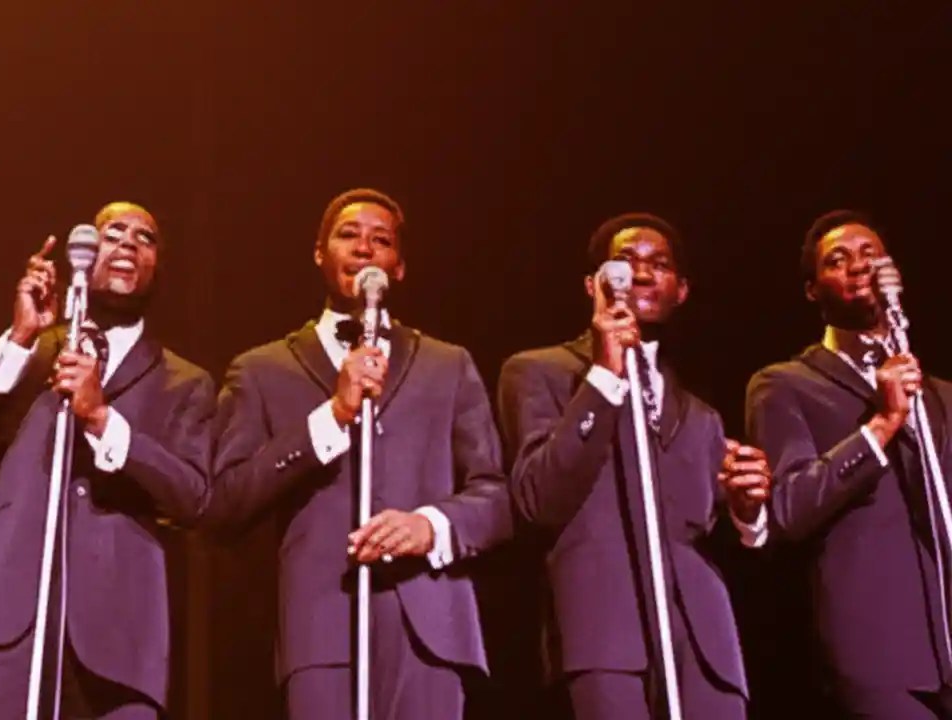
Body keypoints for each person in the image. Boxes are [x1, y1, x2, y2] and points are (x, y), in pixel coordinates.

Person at [206, 188, 512, 719]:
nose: (365, 248)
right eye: (349, 235)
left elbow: (497, 495)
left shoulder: (449, 364)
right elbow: (227, 501)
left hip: (429, 629)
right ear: (320, 253)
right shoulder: (261, 370)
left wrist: (432, 525)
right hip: (321, 627)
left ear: (398, 266)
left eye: (381, 240)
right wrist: (332, 418)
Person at [0, 202, 214, 720]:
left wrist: (102, 420)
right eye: (112, 233)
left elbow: (194, 496)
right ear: (85, 257)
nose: (127, 243)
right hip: (0, 619)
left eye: (145, 237)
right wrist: (21, 336)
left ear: (157, 268)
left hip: (117, 638)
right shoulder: (34, 352)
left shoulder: (185, 382)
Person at [497, 213, 770, 719]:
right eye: (624, 261)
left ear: (681, 290)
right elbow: (539, 498)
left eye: (659, 265)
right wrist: (604, 374)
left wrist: (748, 512)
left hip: (707, 644)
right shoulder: (539, 373)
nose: (642, 273)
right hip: (604, 636)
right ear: (592, 284)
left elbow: (711, 535)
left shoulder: (703, 416)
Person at [746, 210, 952, 718]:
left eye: (870, 254)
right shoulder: (786, 384)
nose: (858, 266)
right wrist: (881, 424)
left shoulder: (942, 396)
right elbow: (789, 507)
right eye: (837, 260)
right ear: (813, 290)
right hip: (876, 648)